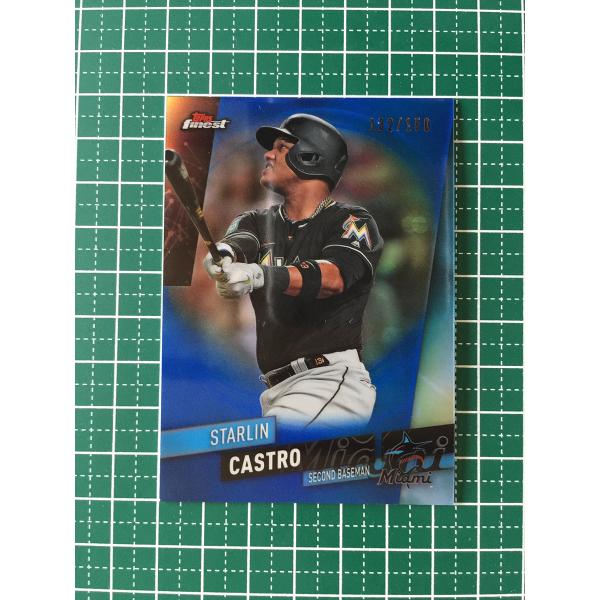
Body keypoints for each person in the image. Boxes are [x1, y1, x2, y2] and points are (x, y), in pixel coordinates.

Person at [203, 113, 384, 429]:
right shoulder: (256, 221)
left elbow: (334, 277)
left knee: (265, 453)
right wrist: (222, 260)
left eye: (281, 148)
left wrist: (259, 275)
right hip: (279, 387)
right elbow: (239, 243)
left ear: (311, 158)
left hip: (328, 380)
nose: (268, 155)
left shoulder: (352, 220)